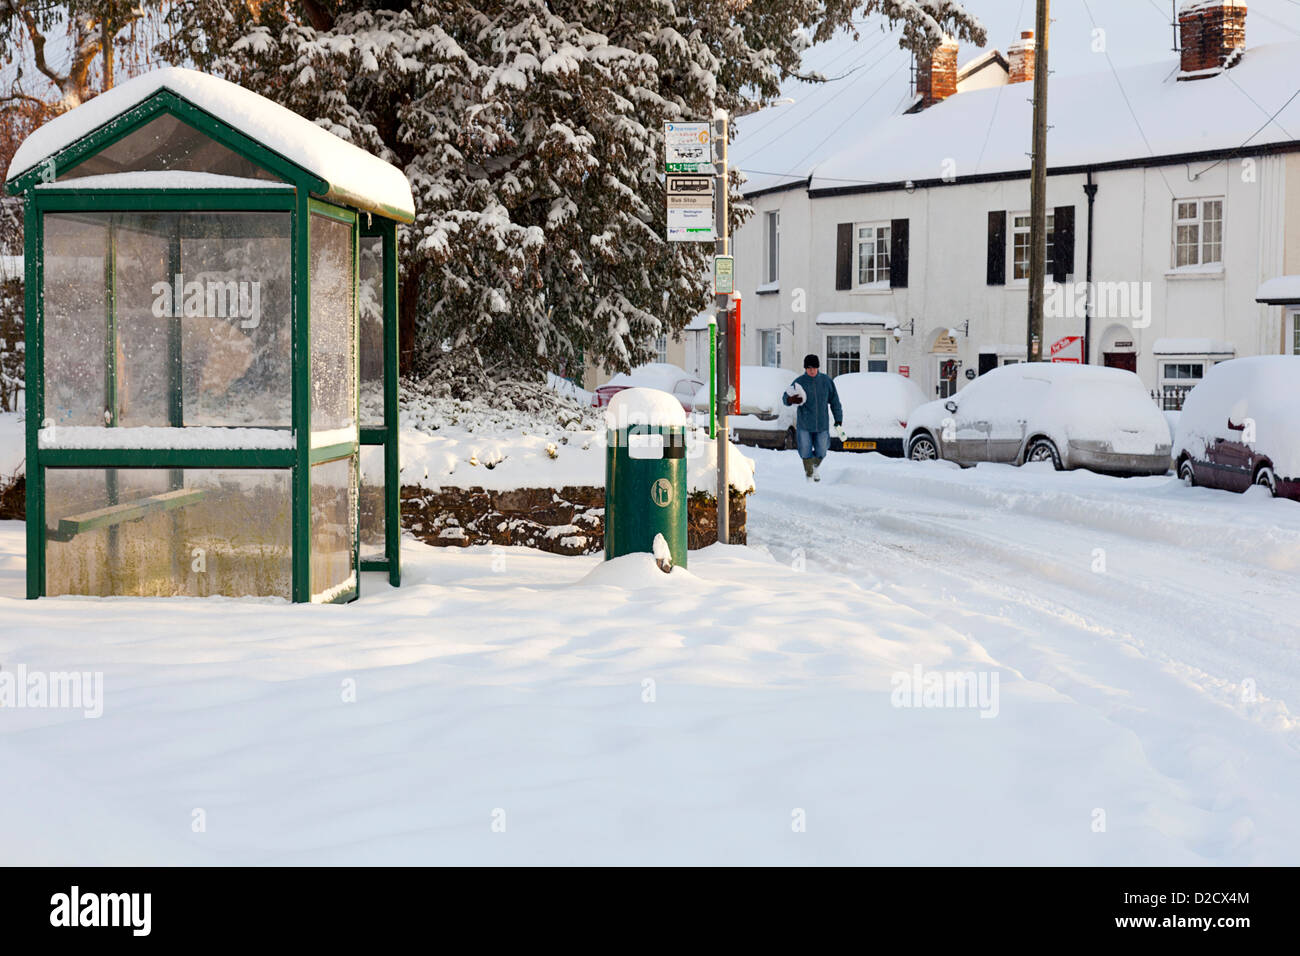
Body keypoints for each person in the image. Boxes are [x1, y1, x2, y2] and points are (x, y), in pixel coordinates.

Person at [782, 354, 844, 482]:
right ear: (805, 368)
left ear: (818, 368)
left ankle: (814, 468)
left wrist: (838, 420)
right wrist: (790, 399)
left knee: (822, 450)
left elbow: (835, 402)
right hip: (804, 424)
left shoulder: (826, 381)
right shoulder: (799, 382)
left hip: (822, 424)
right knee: (805, 451)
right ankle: (809, 474)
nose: (812, 370)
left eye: (814, 367)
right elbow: (785, 398)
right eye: (809, 368)